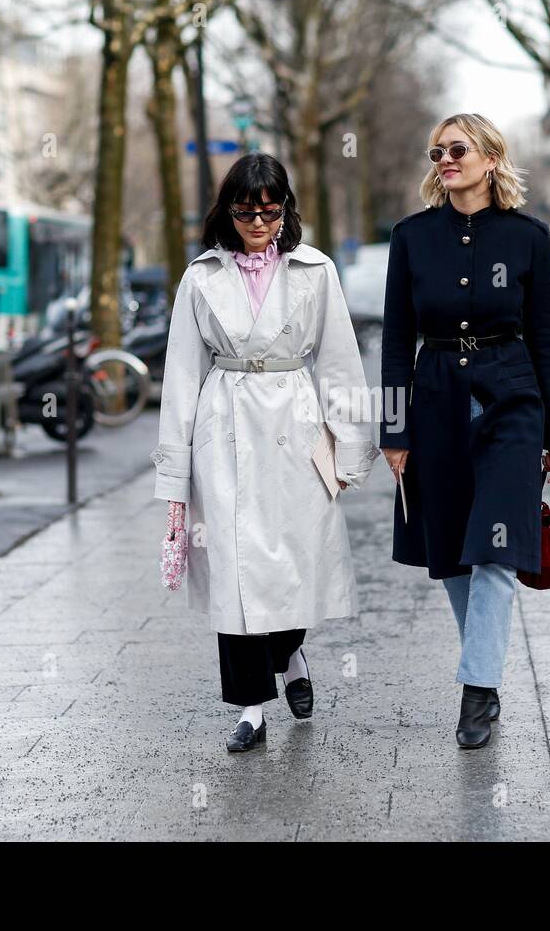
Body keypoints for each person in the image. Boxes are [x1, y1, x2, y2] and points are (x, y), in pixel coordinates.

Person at [150, 153, 379, 752]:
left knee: (296, 558)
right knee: (233, 568)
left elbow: (337, 360)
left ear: (285, 209)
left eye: (269, 211)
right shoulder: (201, 277)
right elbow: (179, 376)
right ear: (227, 211)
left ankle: (291, 650)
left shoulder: (315, 270)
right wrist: (174, 475)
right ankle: (251, 706)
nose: (258, 222)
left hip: (296, 425)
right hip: (222, 426)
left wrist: (351, 445)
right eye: (245, 210)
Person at [378, 113, 550, 750]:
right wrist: (394, 429)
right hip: (435, 401)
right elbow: (397, 338)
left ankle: (477, 691)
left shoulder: (528, 237)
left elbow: (546, 338)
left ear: (491, 157)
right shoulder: (411, 237)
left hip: (512, 401)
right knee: (452, 551)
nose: (445, 160)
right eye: (436, 151)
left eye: (458, 149)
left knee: (495, 547)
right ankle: (482, 673)